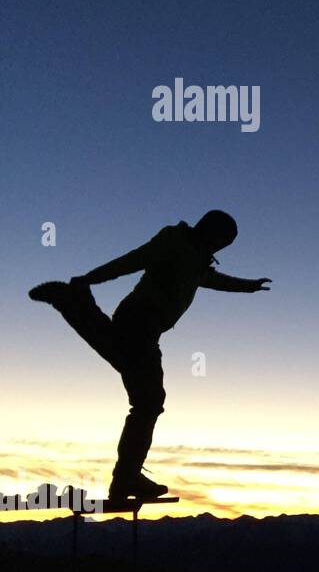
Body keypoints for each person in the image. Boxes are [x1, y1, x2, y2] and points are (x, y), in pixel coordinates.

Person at [28, 210, 270, 501]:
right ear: (212, 233)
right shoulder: (174, 242)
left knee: (137, 384)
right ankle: (127, 479)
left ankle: (126, 480)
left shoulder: (196, 259)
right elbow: (133, 260)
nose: (221, 248)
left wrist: (249, 286)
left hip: (146, 327)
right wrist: (90, 278)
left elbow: (215, 280)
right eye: (223, 241)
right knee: (148, 400)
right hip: (140, 321)